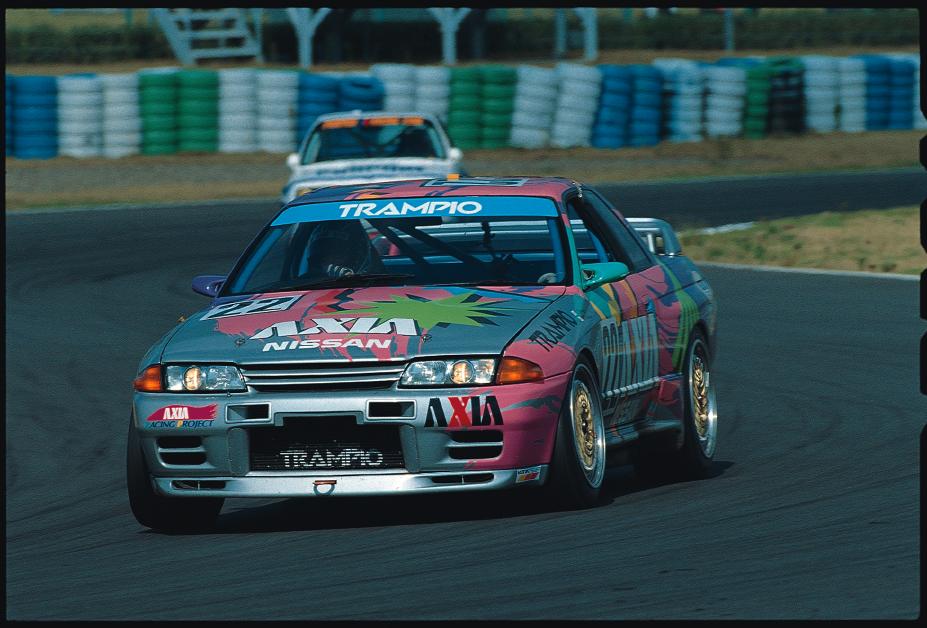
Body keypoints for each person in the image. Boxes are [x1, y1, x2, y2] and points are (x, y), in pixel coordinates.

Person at [305, 221, 384, 279]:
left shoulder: (379, 284)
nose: (327, 260)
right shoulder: (299, 283)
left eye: (336, 254)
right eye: (320, 254)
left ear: (356, 257)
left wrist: (350, 279)